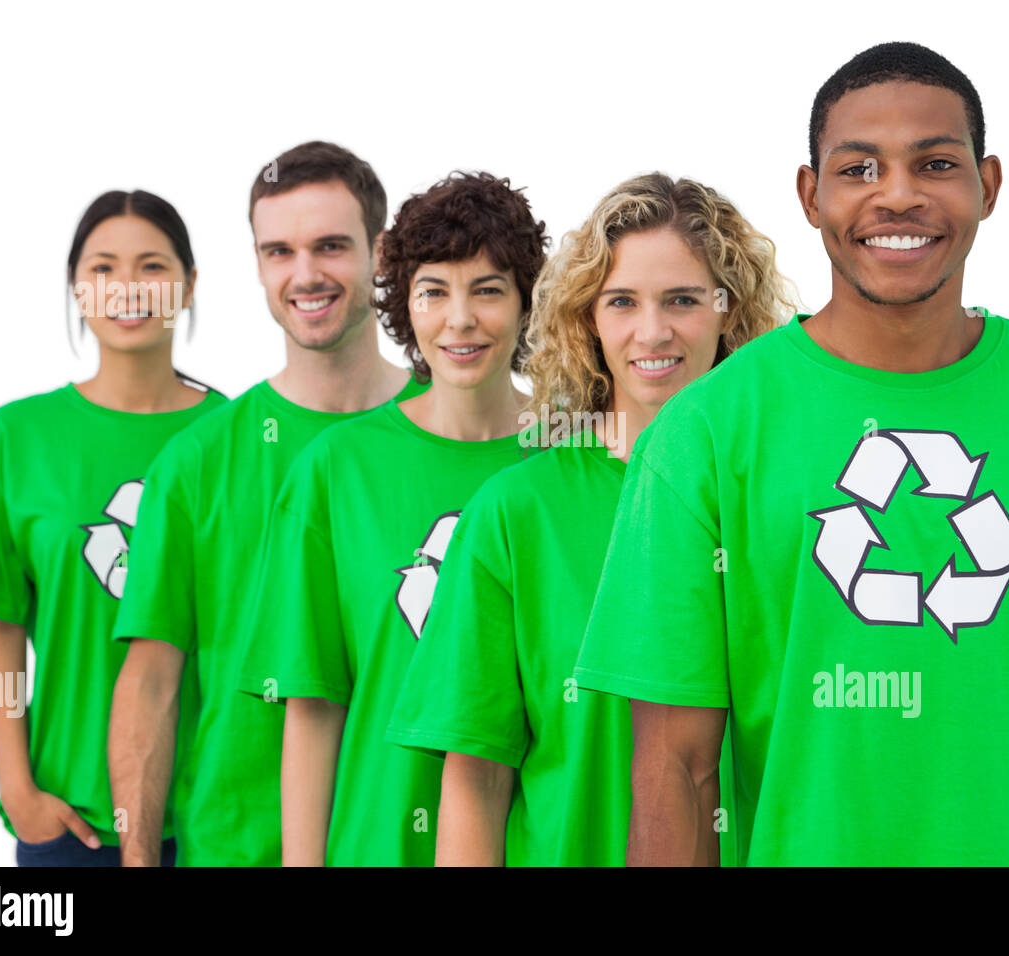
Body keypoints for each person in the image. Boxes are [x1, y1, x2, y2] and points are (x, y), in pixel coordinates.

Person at [574, 41, 1009, 866]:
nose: (899, 196)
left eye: (935, 163)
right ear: (810, 196)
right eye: (859, 170)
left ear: (988, 186)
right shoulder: (704, 436)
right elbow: (675, 767)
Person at [386, 172, 797, 865]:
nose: (652, 331)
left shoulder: (785, 503)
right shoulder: (518, 512)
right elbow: (476, 779)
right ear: (588, 318)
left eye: (684, 301)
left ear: (730, 312)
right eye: (623, 302)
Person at [108, 142, 425, 867]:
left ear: (381, 253)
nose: (305, 274)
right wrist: (135, 857)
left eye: (331, 247)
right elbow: (151, 683)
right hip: (234, 847)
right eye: (278, 251)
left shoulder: (463, 437)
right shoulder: (195, 462)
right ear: (256, 265)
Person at [236, 171, 548, 866]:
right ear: (404, 305)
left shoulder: (572, 456)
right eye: (434, 291)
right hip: (375, 844)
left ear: (528, 303)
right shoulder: (335, 469)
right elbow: (314, 705)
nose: (459, 320)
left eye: (488, 289)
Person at [0, 189, 225, 866]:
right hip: (69, 822)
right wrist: (18, 790)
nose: (128, 288)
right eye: (103, 269)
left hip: (214, 814)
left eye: (153, 266)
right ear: (75, 287)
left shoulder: (237, 439)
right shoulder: (14, 439)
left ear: (189, 286)